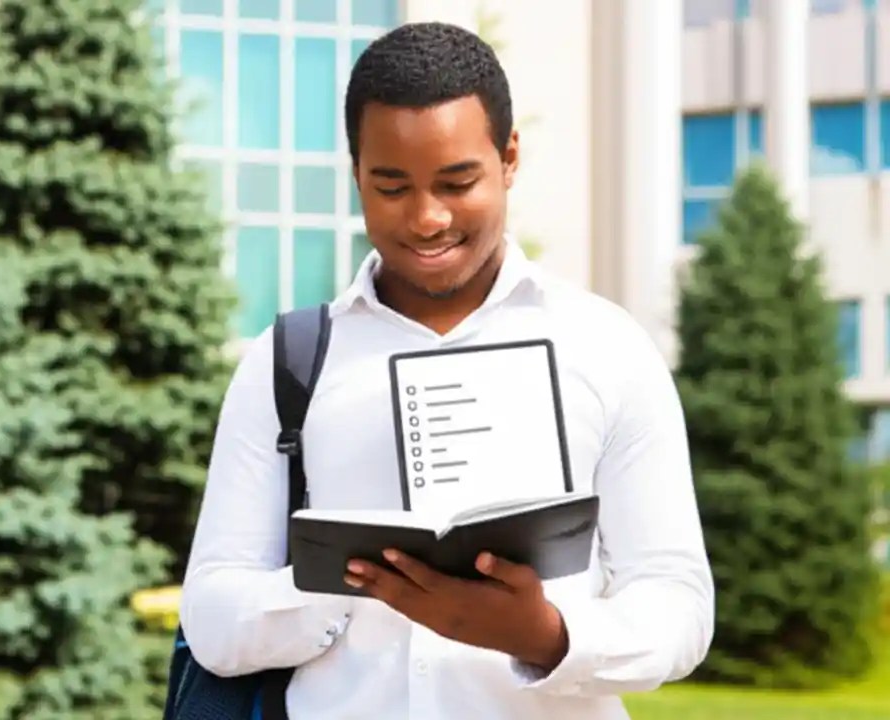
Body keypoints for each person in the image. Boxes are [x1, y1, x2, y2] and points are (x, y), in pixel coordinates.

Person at [178, 21, 714, 720]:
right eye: (391, 186)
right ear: (356, 175)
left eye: (458, 182)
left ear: (509, 157)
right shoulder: (286, 365)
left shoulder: (605, 350)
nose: (428, 220)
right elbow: (213, 618)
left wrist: (543, 635)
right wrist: (351, 580)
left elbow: (678, 604)